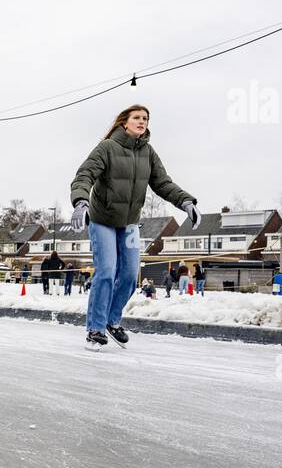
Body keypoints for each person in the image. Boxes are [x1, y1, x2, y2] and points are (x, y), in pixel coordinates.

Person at [70, 104, 197, 350]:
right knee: (106, 271)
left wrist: (186, 201)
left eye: (146, 118)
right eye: (137, 117)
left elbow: (162, 183)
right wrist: (81, 202)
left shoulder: (148, 152)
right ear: (124, 122)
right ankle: (95, 329)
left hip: (128, 223)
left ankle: (112, 320)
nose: (142, 122)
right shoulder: (107, 148)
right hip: (103, 220)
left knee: (129, 275)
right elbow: (85, 174)